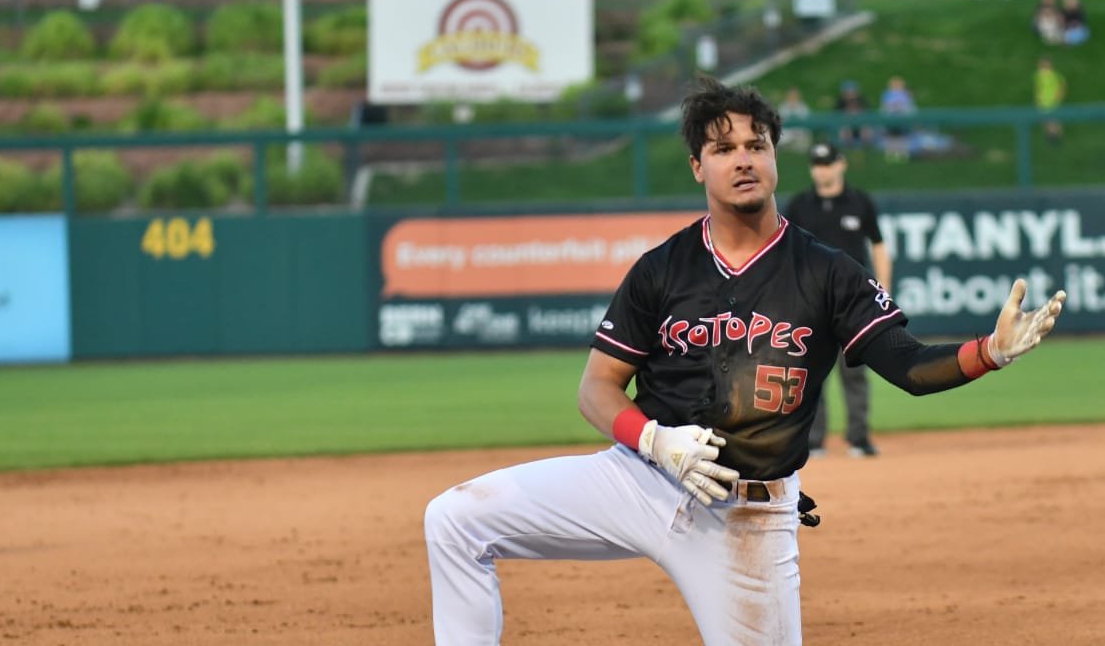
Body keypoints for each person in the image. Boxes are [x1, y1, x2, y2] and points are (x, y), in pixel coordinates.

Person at [423, 76, 1067, 646]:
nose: (743, 160)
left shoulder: (825, 272)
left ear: (775, 158)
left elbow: (907, 366)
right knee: (455, 520)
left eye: (756, 145)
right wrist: (653, 440)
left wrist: (988, 353)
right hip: (641, 480)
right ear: (697, 166)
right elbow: (597, 388)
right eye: (723, 148)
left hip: (746, 518)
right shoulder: (661, 269)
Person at [783, 141, 892, 458]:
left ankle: (859, 438)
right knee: (811, 371)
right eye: (817, 164)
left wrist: (883, 287)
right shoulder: (800, 205)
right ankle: (814, 441)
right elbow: (786, 250)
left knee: (855, 370)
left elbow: (878, 245)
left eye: (828, 163)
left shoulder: (859, 202)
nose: (823, 170)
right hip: (812, 300)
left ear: (841, 164)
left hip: (853, 299)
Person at [1034, 56, 1066, 144]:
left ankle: (1057, 137)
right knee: (1045, 121)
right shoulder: (1038, 76)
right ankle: (1050, 137)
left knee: (1054, 121)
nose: (1044, 69)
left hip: (1053, 103)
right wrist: (1038, 99)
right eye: (1042, 66)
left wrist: (1058, 97)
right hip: (1043, 103)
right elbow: (1038, 88)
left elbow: (1062, 87)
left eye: (1046, 66)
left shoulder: (1056, 75)